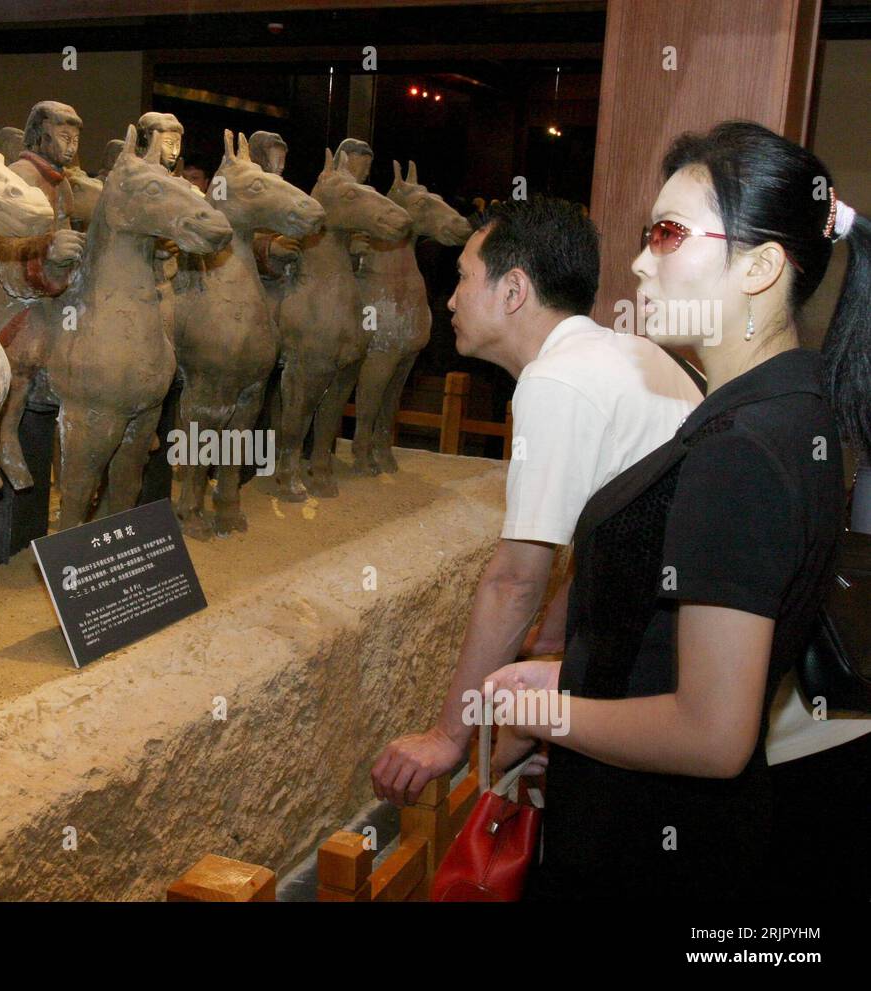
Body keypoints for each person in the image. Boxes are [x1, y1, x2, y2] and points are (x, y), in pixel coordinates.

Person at [487, 120, 870, 899]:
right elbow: (680, 642)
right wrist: (575, 676)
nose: (636, 263)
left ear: (761, 267)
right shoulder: (797, 406)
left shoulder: (744, 446)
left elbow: (711, 731)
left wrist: (544, 709)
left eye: (666, 235)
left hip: (642, 847)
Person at [371, 197, 702, 806]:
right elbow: (611, 536)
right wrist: (549, 652)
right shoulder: (630, 354)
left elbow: (515, 581)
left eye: (464, 279)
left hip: (658, 687)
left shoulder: (556, 383)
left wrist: (448, 736)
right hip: (685, 665)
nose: (450, 301)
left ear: (513, 289)